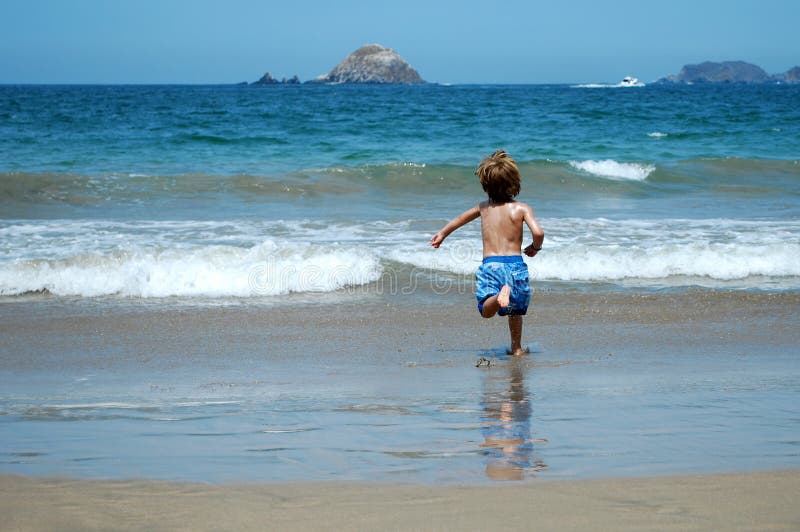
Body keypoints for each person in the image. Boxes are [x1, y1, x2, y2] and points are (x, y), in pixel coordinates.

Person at [430, 149, 544, 356]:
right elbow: (538, 232)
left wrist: (442, 234)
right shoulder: (521, 208)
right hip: (515, 265)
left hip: (491, 264)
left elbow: (460, 219)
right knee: (515, 311)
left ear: (485, 185)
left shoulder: (484, 208)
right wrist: (535, 248)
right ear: (514, 183)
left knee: (486, 309)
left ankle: (498, 297)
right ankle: (517, 347)